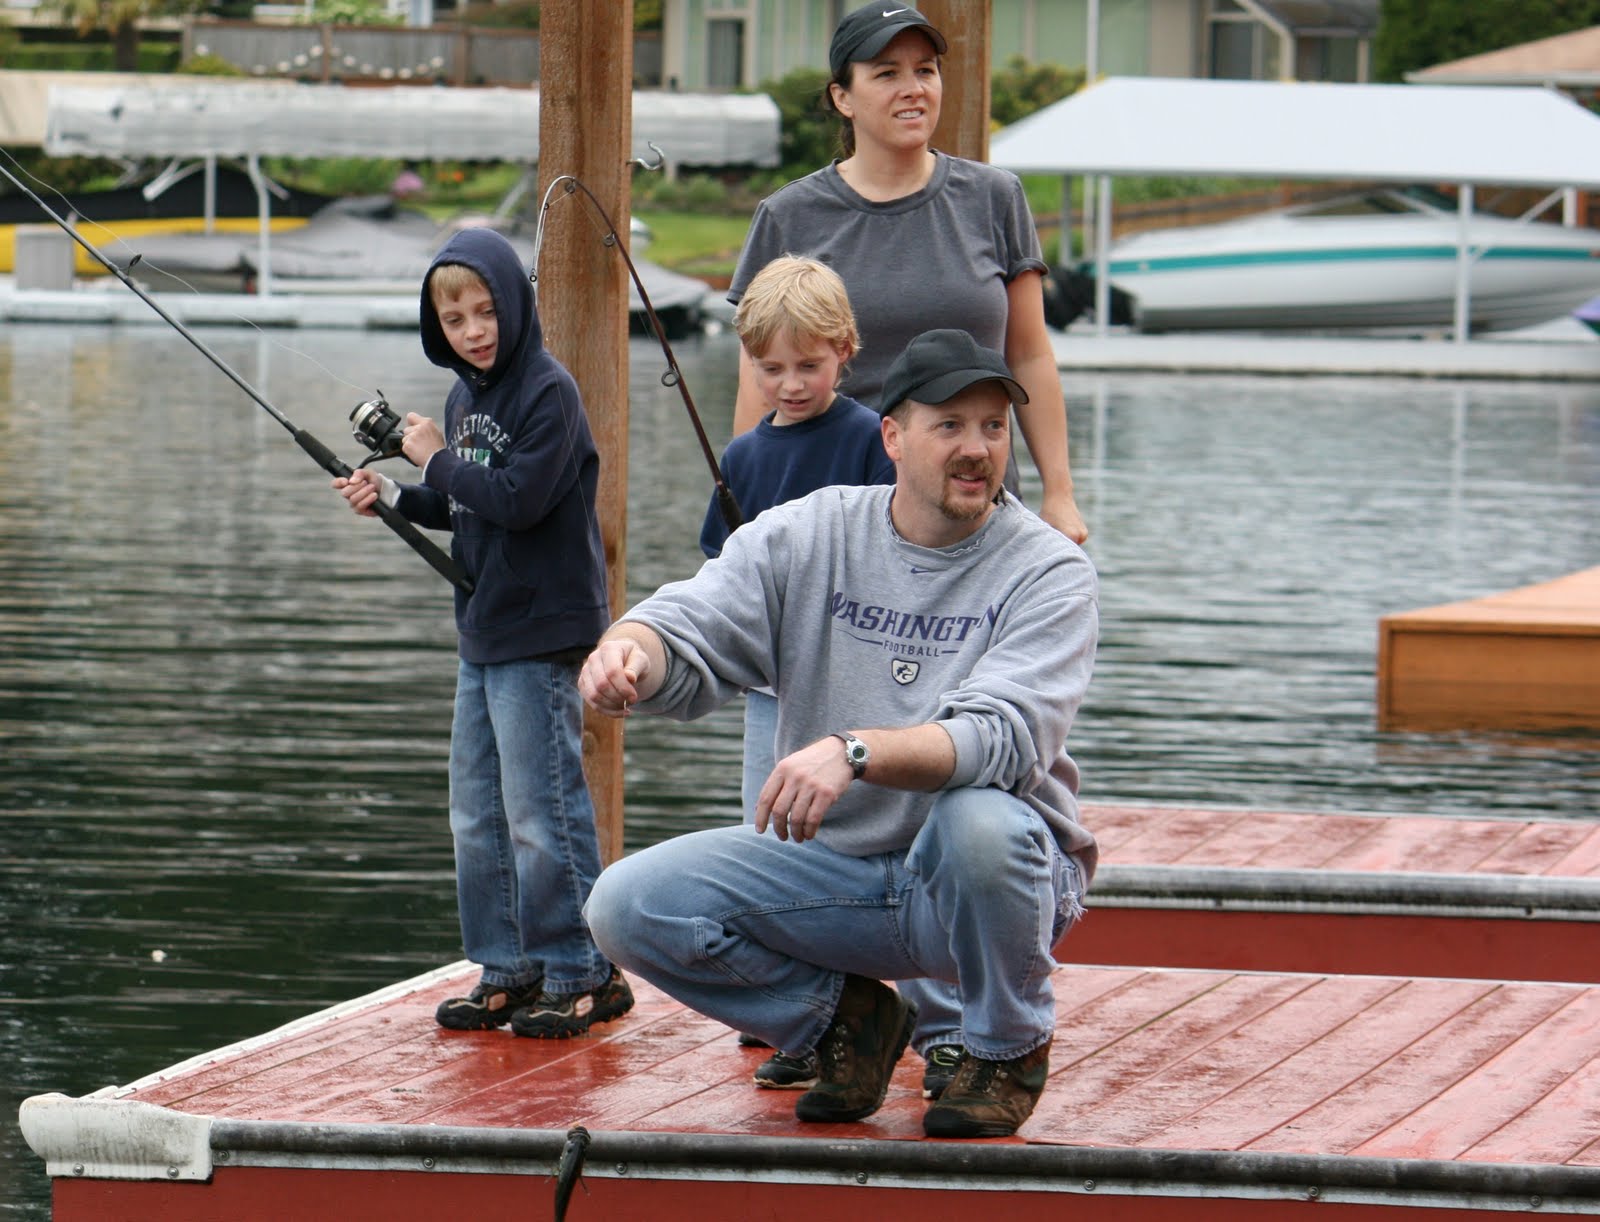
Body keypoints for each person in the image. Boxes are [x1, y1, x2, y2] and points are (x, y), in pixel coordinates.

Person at [578, 329, 1098, 1138]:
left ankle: (1006, 1049)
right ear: (892, 436)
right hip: (839, 877)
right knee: (625, 903)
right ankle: (843, 1024)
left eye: (994, 427)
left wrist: (855, 751)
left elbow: (1003, 738)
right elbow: (689, 619)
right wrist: (630, 656)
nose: (978, 448)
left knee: (979, 821)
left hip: (980, 884)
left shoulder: (1048, 569)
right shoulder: (811, 533)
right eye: (950, 425)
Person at [332, 227, 632, 1040]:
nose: (474, 330)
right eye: (455, 318)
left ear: (513, 302)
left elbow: (519, 500)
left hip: (543, 629)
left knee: (542, 810)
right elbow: (464, 503)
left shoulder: (548, 392)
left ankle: (583, 970)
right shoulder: (464, 400)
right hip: (486, 625)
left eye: (485, 310)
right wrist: (395, 494)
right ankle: (509, 966)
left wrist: (432, 458)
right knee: (476, 813)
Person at [726, 2, 1089, 548]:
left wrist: (1059, 492)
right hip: (831, 523)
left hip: (974, 513)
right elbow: (758, 380)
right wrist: (751, 522)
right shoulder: (787, 216)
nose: (913, 88)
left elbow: (1030, 355)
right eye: (887, 73)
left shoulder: (996, 197)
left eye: (925, 70)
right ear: (842, 97)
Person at [700, 253, 895, 1090]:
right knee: (769, 844)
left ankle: (921, 1013)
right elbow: (720, 574)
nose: (789, 384)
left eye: (808, 365)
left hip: (859, 695)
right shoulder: (743, 458)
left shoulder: (874, 439)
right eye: (770, 368)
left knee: (866, 844)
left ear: (844, 350)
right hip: (770, 694)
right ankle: (797, 1013)